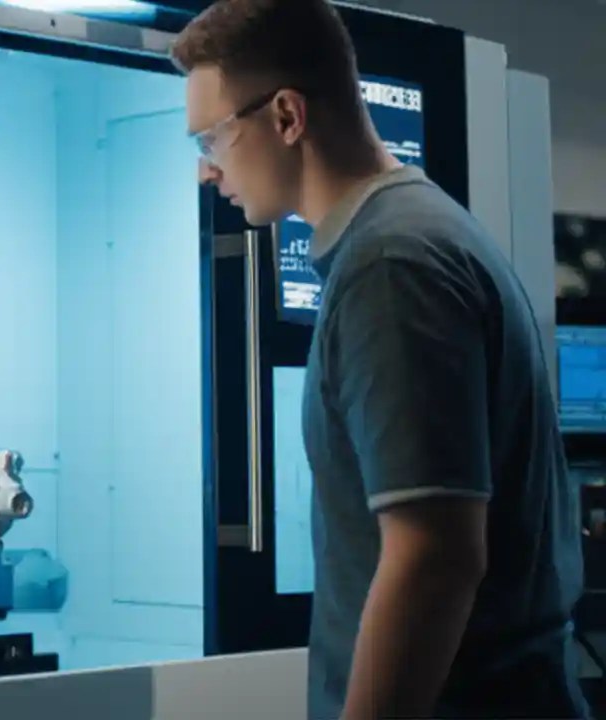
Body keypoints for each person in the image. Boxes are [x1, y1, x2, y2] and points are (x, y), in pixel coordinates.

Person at [171, 1, 591, 718]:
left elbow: (434, 558)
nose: (206, 170)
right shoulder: (419, 233)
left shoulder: (391, 266)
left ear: (287, 118)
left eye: (212, 137)